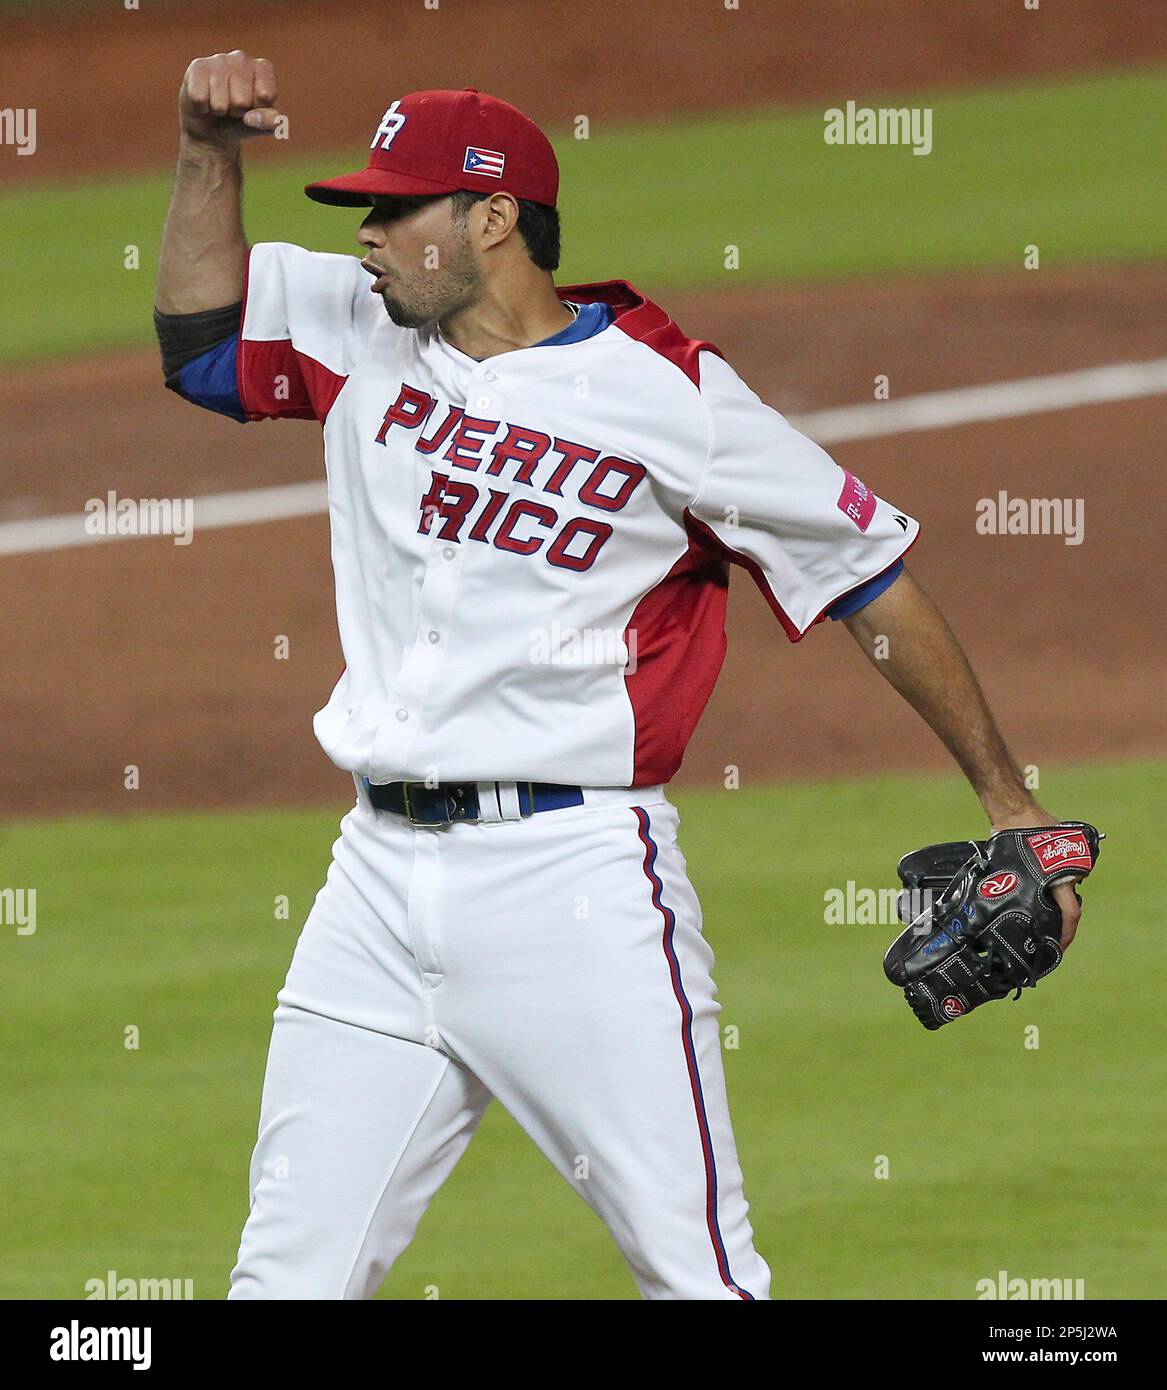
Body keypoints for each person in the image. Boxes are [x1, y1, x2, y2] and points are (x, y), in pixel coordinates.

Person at [155, 51, 1085, 1300]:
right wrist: (208, 152)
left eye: (394, 207)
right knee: (283, 1283)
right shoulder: (360, 327)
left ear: (492, 220)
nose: (367, 236)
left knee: (698, 1279)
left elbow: (867, 572)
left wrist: (1007, 801)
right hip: (370, 888)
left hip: (575, 886)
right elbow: (202, 345)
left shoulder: (672, 395)